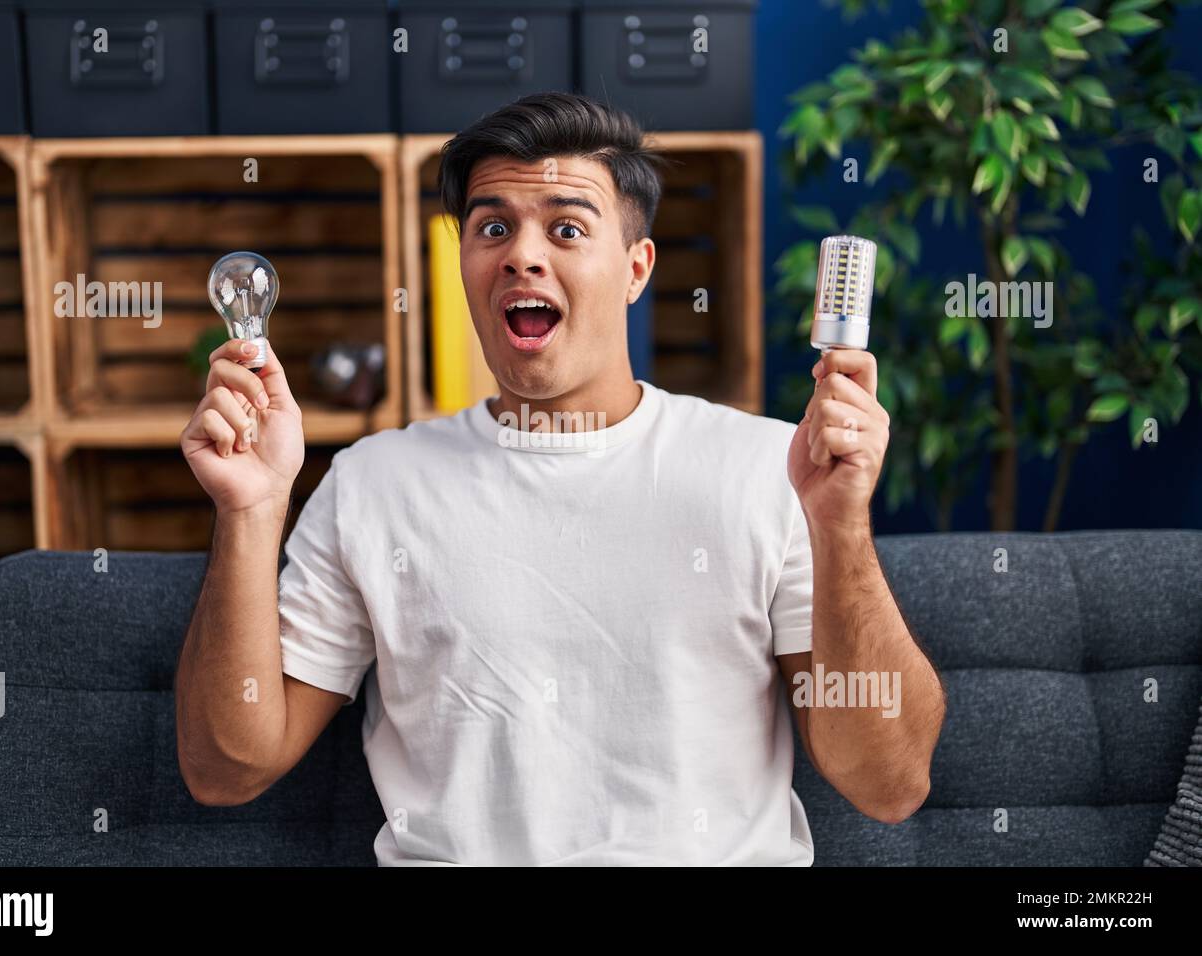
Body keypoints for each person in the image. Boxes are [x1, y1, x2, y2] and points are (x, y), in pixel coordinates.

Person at [174, 91, 945, 866]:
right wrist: (251, 510)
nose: (521, 255)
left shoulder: (774, 469)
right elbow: (224, 770)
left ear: (636, 269)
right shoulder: (373, 485)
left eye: (568, 228)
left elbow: (888, 782)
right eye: (493, 227)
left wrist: (840, 524)